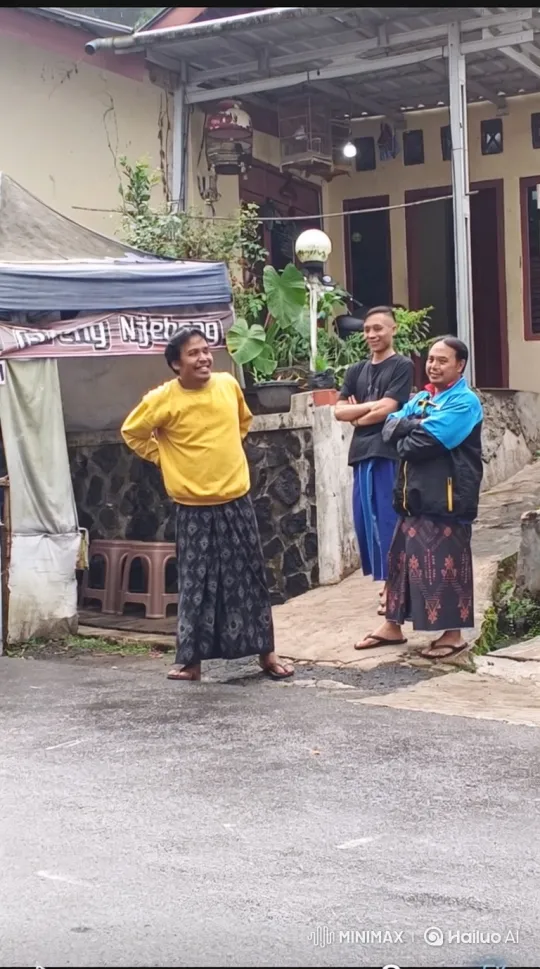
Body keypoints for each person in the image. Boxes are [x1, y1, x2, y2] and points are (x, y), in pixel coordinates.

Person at [121, 327, 293, 683]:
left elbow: (242, 423)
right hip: (192, 507)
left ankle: (267, 654)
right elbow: (132, 433)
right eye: (192, 353)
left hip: (236, 501)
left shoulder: (228, 385)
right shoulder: (161, 399)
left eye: (205, 351)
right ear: (175, 364)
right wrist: (165, 457)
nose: (203, 358)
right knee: (197, 585)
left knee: (251, 580)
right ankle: (191, 662)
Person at [354, 336, 483, 660]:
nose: (434, 366)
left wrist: (405, 431)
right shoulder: (424, 399)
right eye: (430, 359)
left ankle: (453, 635)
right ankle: (392, 626)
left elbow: (423, 443)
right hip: (413, 497)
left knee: (446, 568)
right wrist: (408, 428)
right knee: (402, 563)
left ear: (460, 365)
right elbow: (389, 426)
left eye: (442, 360)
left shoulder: (464, 402)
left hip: (447, 500)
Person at [334, 306, 414, 618]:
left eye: (378, 328)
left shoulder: (401, 366)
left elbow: (390, 408)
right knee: (365, 522)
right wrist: (367, 411)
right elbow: (339, 411)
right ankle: (386, 583)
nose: (371, 335)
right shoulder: (355, 371)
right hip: (361, 454)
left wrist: (358, 416)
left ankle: (393, 588)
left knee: (388, 521)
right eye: (367, 329)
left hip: (387, 452)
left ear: (392, 329)